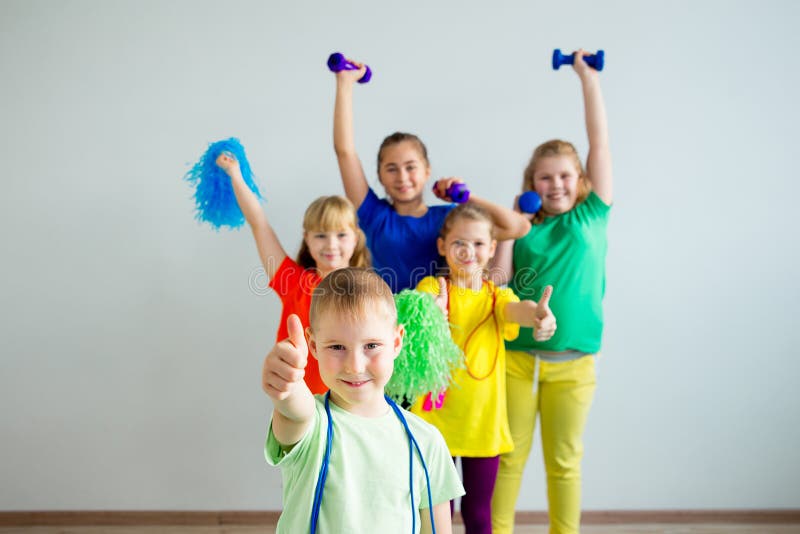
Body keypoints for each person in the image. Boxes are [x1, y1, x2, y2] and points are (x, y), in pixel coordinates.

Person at [489, 49, 614, 534]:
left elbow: (599, 142)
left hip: (575, 362)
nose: (556, 183)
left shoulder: (593, 213)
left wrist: (586, 78)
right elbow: (498, 285)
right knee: (509, 458)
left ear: (581, 180)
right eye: (545, 177)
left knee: (564, 464)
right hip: (517, 359)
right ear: (531, 184)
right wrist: (505, 227)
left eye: (565, 175)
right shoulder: (522, 226)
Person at [262, 268, 465, 533]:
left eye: (371, 346)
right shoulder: (314, 426)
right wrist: (286, 385)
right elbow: (294, 412)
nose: (355, 366)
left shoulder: (427, 442)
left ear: (396, 342)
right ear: (313, 346)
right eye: (336, 347)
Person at [409, 204, 557, 534]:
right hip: (435, 426)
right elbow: (414, 315)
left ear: (492, 249)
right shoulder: (431, 289)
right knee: (436, 515)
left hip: (483, 425)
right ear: (442, 246)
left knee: (478, 513)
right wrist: (429, 315)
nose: (468, 251)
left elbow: (520, 310)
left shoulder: (498, 297)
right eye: (459, 243)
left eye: (478, 244)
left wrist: (539, 316)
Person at [332, 56, 531, 292]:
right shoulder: (373, 215)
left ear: (427, 171)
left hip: (437, 322)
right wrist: (344, 83)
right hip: (385, 322)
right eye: (391, 169)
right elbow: (345, 152)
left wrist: (467, 198)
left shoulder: (447, 219)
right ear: (380, 176)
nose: (402, 177)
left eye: (410, 167)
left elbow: (518, 227)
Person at [217, 154, 369, 394]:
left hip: (350, 401)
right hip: (299, 401)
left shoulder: (368, 290)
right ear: (307, 239)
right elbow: (259, 223)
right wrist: (236, 174)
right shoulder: (293, 281)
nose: (331, 245)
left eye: (341, 235)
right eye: (321, 235)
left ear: (356, 238)